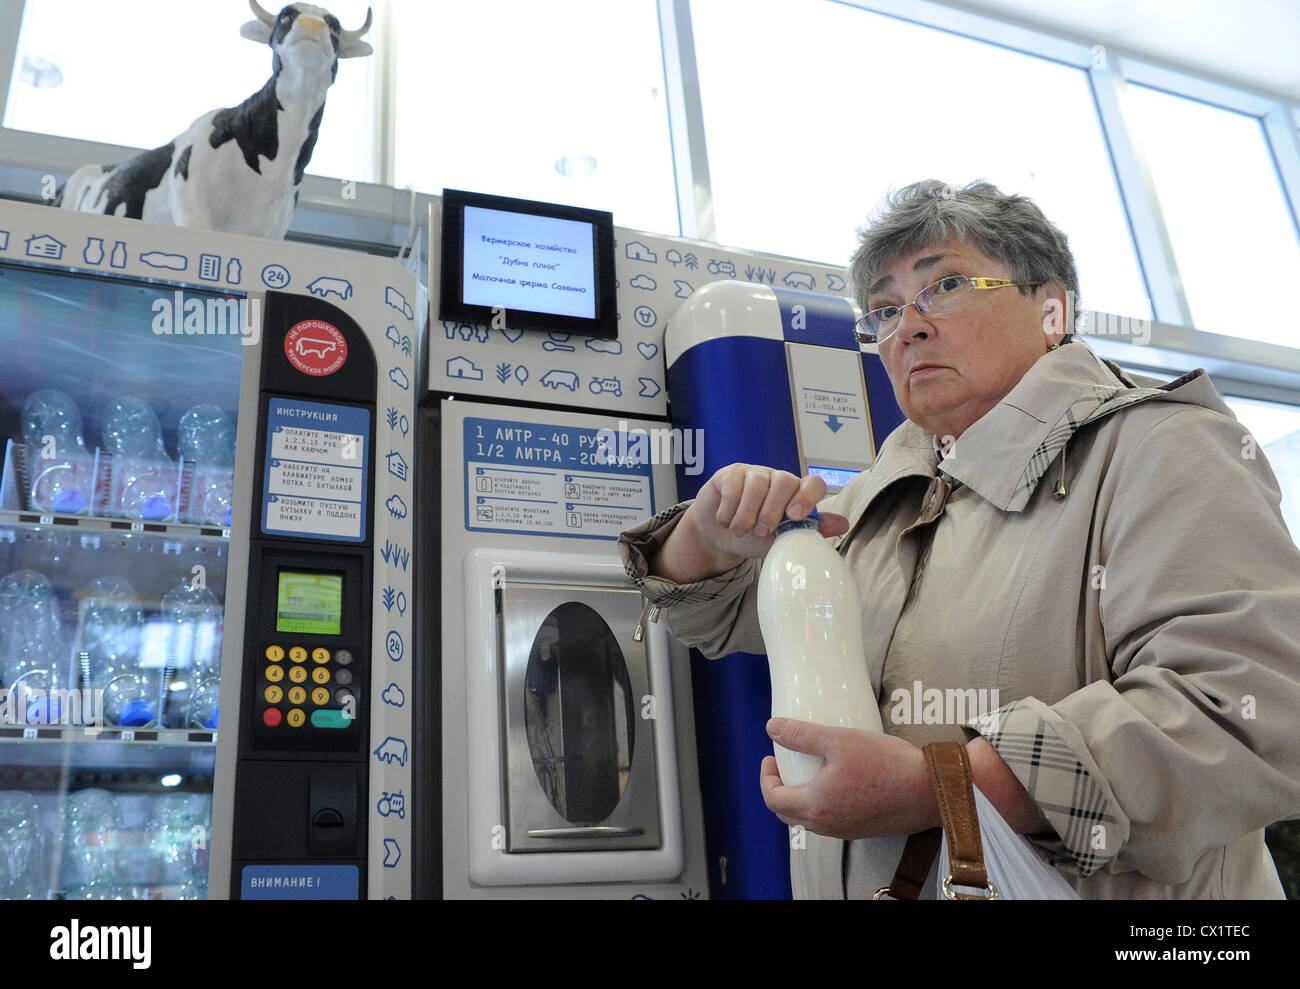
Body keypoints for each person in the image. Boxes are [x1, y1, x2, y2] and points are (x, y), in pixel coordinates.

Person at [618, 179, 1300, 899]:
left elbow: (1250, 704)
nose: (905, 326)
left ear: (1050, 307)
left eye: (943, 285)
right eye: (883, 309)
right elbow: (729, 619)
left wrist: (938, 787)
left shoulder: (1164, 446)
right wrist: (706, 531)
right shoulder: (883, 490)